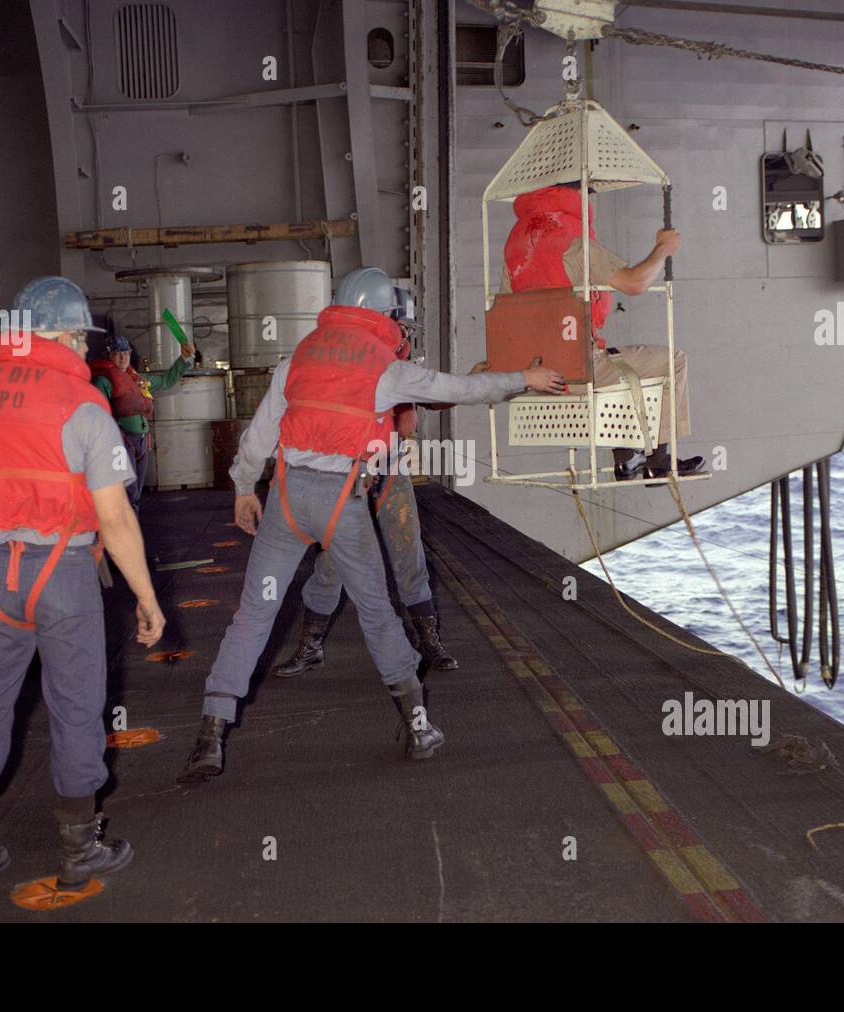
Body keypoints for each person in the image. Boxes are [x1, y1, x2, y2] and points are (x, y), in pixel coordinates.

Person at [176, 267, 565, 783]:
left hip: (286, 500)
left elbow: (257, 437)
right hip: (343, 502)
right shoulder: (388, 369)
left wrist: (244, 488)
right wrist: (525, 379)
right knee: (377, 613)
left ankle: (210, 734)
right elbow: (461, 389)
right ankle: (419, 725)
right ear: (383, 315)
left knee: (252, 617)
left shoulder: (294, 362)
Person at [0, 277, 167, 892]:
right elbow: (115, 519)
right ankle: (79, 847)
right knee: (76, 708)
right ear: (67, 334)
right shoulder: (84, 404)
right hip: (63, 572)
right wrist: (146, 597)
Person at [503, 182, 704, 480]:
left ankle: (628, 457)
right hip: (577, 371)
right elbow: (635, 283)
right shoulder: (572, 241)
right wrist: (663, 248)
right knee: (670, 361)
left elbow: (506, 313)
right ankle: (657, 461)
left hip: (537, 375)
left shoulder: (515, 245)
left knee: (616, 363)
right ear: (574, 195)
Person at [272, 402, 458, 678]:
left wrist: (478, 382)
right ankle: (310, 649)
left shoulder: (393, 364)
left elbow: (435, 396)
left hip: (389, 471)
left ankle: (429, 643)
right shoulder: (336, 367)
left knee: (408, 558)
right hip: (345, 471)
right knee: (330, 564)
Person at [89, 333, 194, 511]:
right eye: (117, 353)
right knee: (125, 492)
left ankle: (131, 534)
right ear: (108, 356)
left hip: (142, 442)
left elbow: (166, 381)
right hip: (120, 443)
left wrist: (184, 358)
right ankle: (121, 535)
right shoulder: (103, 381)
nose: (123, 357)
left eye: (126, 353)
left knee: (135, 494)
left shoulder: (136, 379)